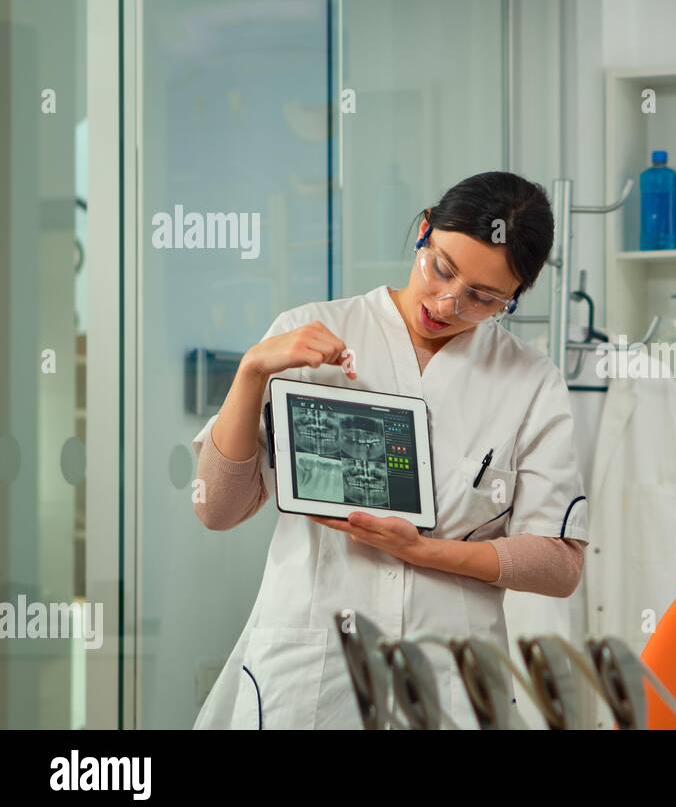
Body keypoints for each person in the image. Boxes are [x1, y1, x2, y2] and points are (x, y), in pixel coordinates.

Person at [190, 171, 589, 729]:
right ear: (424, 230)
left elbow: (559, 563)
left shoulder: (529, 380)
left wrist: (426, 553)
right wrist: (253, 368)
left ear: (513, 299)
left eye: (482, 298)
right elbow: (216, 509)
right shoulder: (310, 330)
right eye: (441, 268)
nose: (447, 303)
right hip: (315, 669)